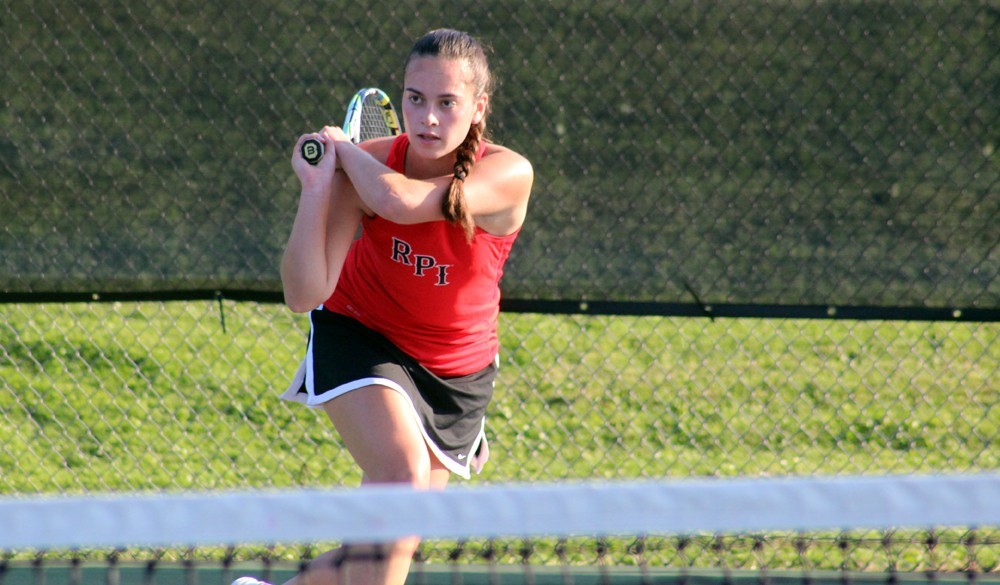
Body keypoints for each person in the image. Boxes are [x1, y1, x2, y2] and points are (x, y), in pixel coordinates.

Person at [234, 29, 533, 585]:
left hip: (457, 371)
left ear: (478, 108)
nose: (428, 117)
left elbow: (402, 200)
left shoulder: (509, 174)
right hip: (361, 333)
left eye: (447, 103)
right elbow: (303, 293)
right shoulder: (368, 166)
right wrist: (317, 189)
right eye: (415, 99)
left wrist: (345, 154)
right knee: (401, 480)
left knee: (387, 540)